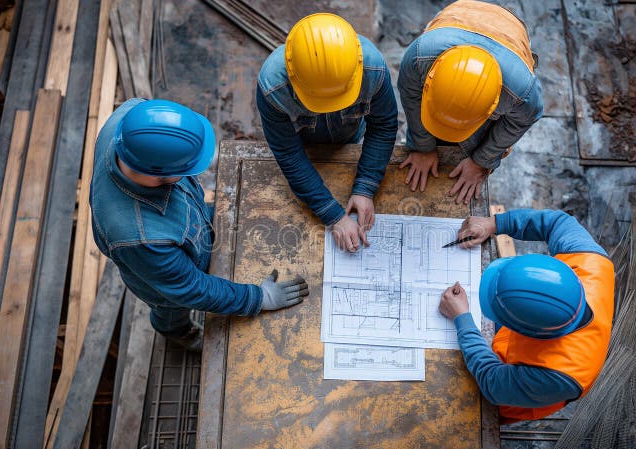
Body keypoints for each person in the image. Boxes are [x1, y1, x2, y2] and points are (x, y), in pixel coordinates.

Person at [90, 98, 309, 352]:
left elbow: (167, 134)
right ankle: (180, 334)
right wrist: (258, 298)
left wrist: (202, 155)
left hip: (188, 223)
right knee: (172, 310)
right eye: (186, 167)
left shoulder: (129, 117)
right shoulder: (141, 238)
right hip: (166, 286)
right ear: (157, 173)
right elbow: (193, 287)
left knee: (205, 220)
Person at [438, 209, 614, 423]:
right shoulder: (591, 262)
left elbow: (491, 381)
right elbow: (557, 222)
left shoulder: (560, 376)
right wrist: (494, 223)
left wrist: (463, 319)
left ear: (524, 330)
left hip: (509, 398)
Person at [256, 13, 398, 253]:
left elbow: (383, 126)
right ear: (292, 74)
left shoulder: (372, 68)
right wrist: (333, 215)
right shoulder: (273, 87)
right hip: (304, 147)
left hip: (350, 138)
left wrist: (365, 187)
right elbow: (289, 153)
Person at [397, 0, 543, 204]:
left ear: (493, 106)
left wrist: (480, 161)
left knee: (479, 143)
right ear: (430, 81)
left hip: (509, 32)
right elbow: (412, 100)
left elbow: (516, 124)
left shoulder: (522, 93)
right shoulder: (419, 57)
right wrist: (423, 147)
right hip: (460, 14)